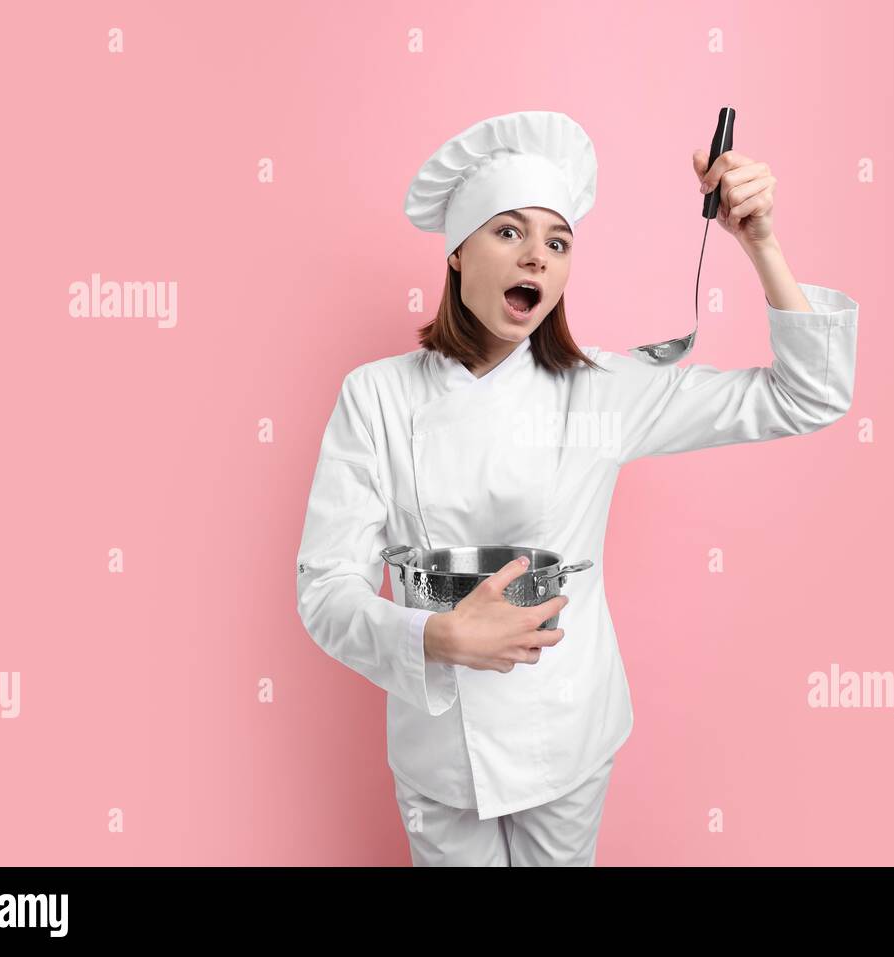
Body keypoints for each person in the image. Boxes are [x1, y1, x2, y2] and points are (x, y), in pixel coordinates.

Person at [296, 110, 859, 866]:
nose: (536, 256)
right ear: (458, 253)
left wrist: (760, 243)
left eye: (557, 242)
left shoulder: (599, 392)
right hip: (439, 750)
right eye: (508, 232)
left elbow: (808, 396)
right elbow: (325, 586)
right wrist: (433, 635)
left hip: (563, 738)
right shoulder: (377, 397)